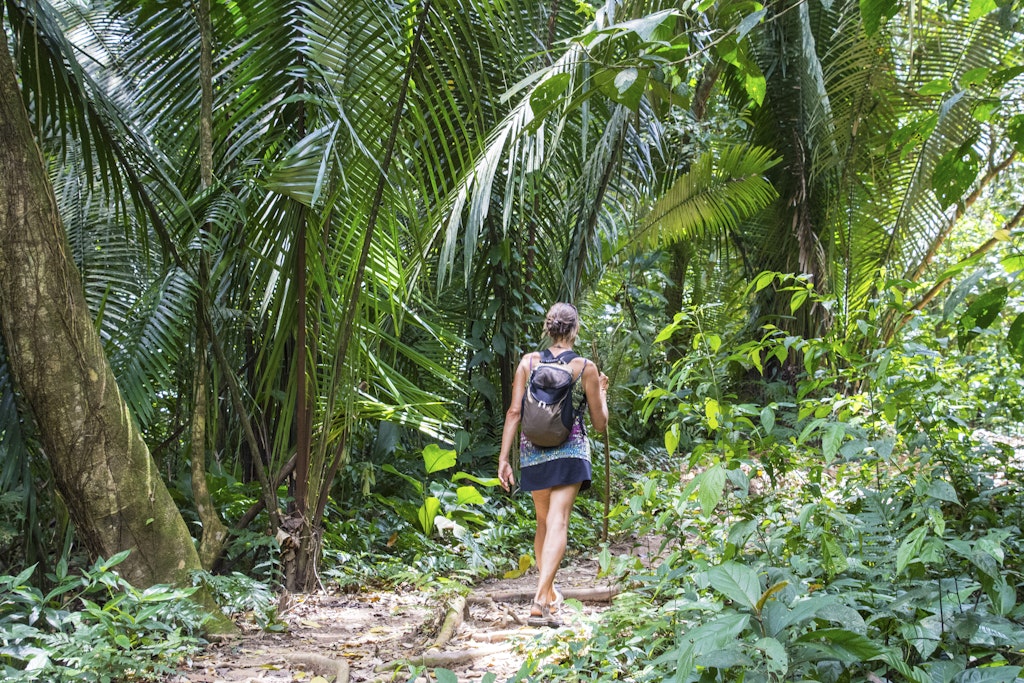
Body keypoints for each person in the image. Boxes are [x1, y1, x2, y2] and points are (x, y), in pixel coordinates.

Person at [497, 302, 609, 628]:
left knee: (544, 522)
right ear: (574, 330)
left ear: (548, 328)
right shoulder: (585, 367)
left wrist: (504, 459)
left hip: (533, 451)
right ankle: (541, 597)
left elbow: (514, 413)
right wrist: (601, 392)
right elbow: (600, 423)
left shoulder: (527, 363)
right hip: (571, 449)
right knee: (558, 521)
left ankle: (545, 594)